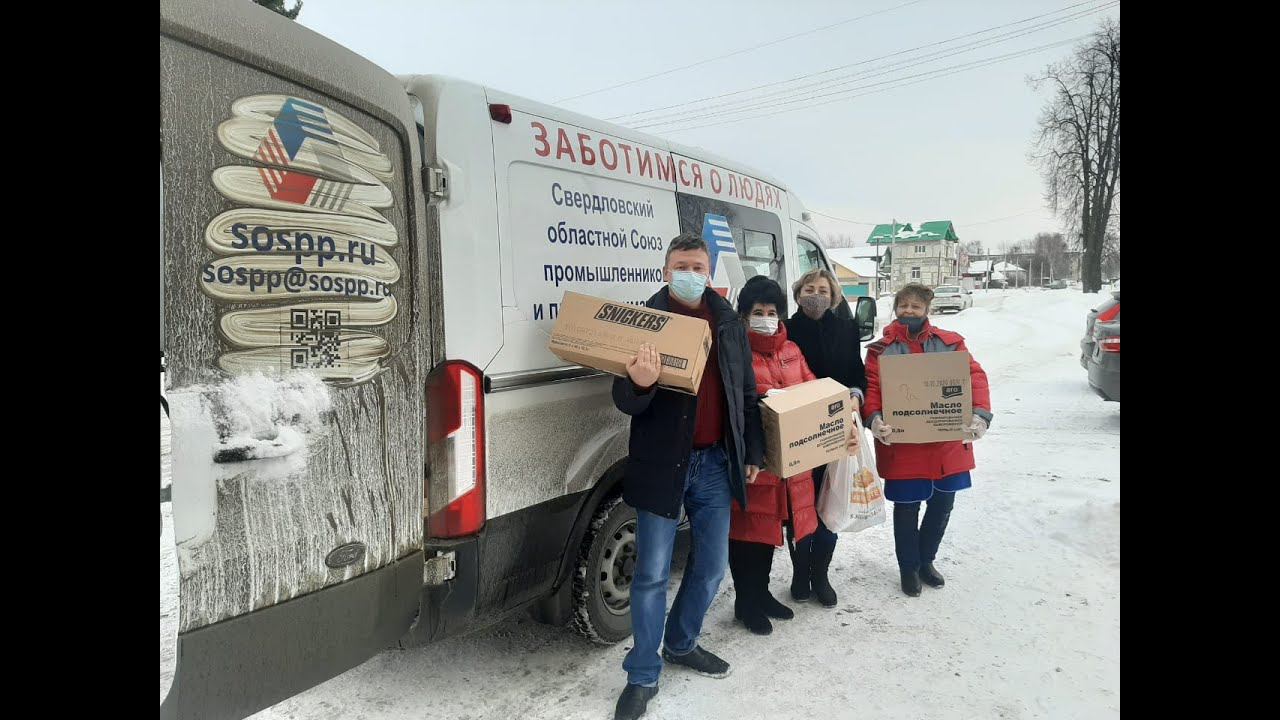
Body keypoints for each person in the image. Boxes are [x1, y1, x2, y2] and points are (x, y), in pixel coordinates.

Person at [612, 232, 764, 720]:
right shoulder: (645, 321)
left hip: (717, 464)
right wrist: (639, 384)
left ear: (709, 272)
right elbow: (624, 400)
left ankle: (681, 642)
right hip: (664, 464)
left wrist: (752, 450)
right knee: (652, 575)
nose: (692, 274)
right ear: (665, 271)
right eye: (683, 266)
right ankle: (642, 674)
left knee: (711, 567)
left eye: (699, 267)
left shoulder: (727, 323)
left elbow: (746, 393)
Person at [728, 276, 861, 635]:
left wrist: (841, 419)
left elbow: (814, 393)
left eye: (772, 312)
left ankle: (763, 594)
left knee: (771, 531)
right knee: (747, 533)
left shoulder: (791, 351)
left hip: (791, 461)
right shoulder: (735, 351)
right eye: (758, 312)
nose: (766, 318)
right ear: (743, 315)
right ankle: (746, 602)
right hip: (755, 460)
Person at [861, 283, 992, 597]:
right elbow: (873, 389)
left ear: (926, 310)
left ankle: (926, 561)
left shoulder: (950, 343)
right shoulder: (880, 351)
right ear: (895, 308)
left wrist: (981, 414)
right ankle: (908, 567)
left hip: (946, 442)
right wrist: (874, 419)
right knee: (907, 508)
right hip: (904, 444)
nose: (908, 311)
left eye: (915, 306)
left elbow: (975, 377)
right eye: (903, 305)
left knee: (942, 505)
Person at [783, 268, 867, 607]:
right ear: (798, 293)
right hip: (798, 430)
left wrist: (856, 395)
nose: (816, 294)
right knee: (799, 507)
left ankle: (821, 573)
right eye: (809, 288)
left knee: (830, 501)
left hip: (835, 428)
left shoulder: (846, 328)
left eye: (823, 288)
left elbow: (855, 371)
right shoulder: (786, 329)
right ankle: (799, 572)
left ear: (833, 295)